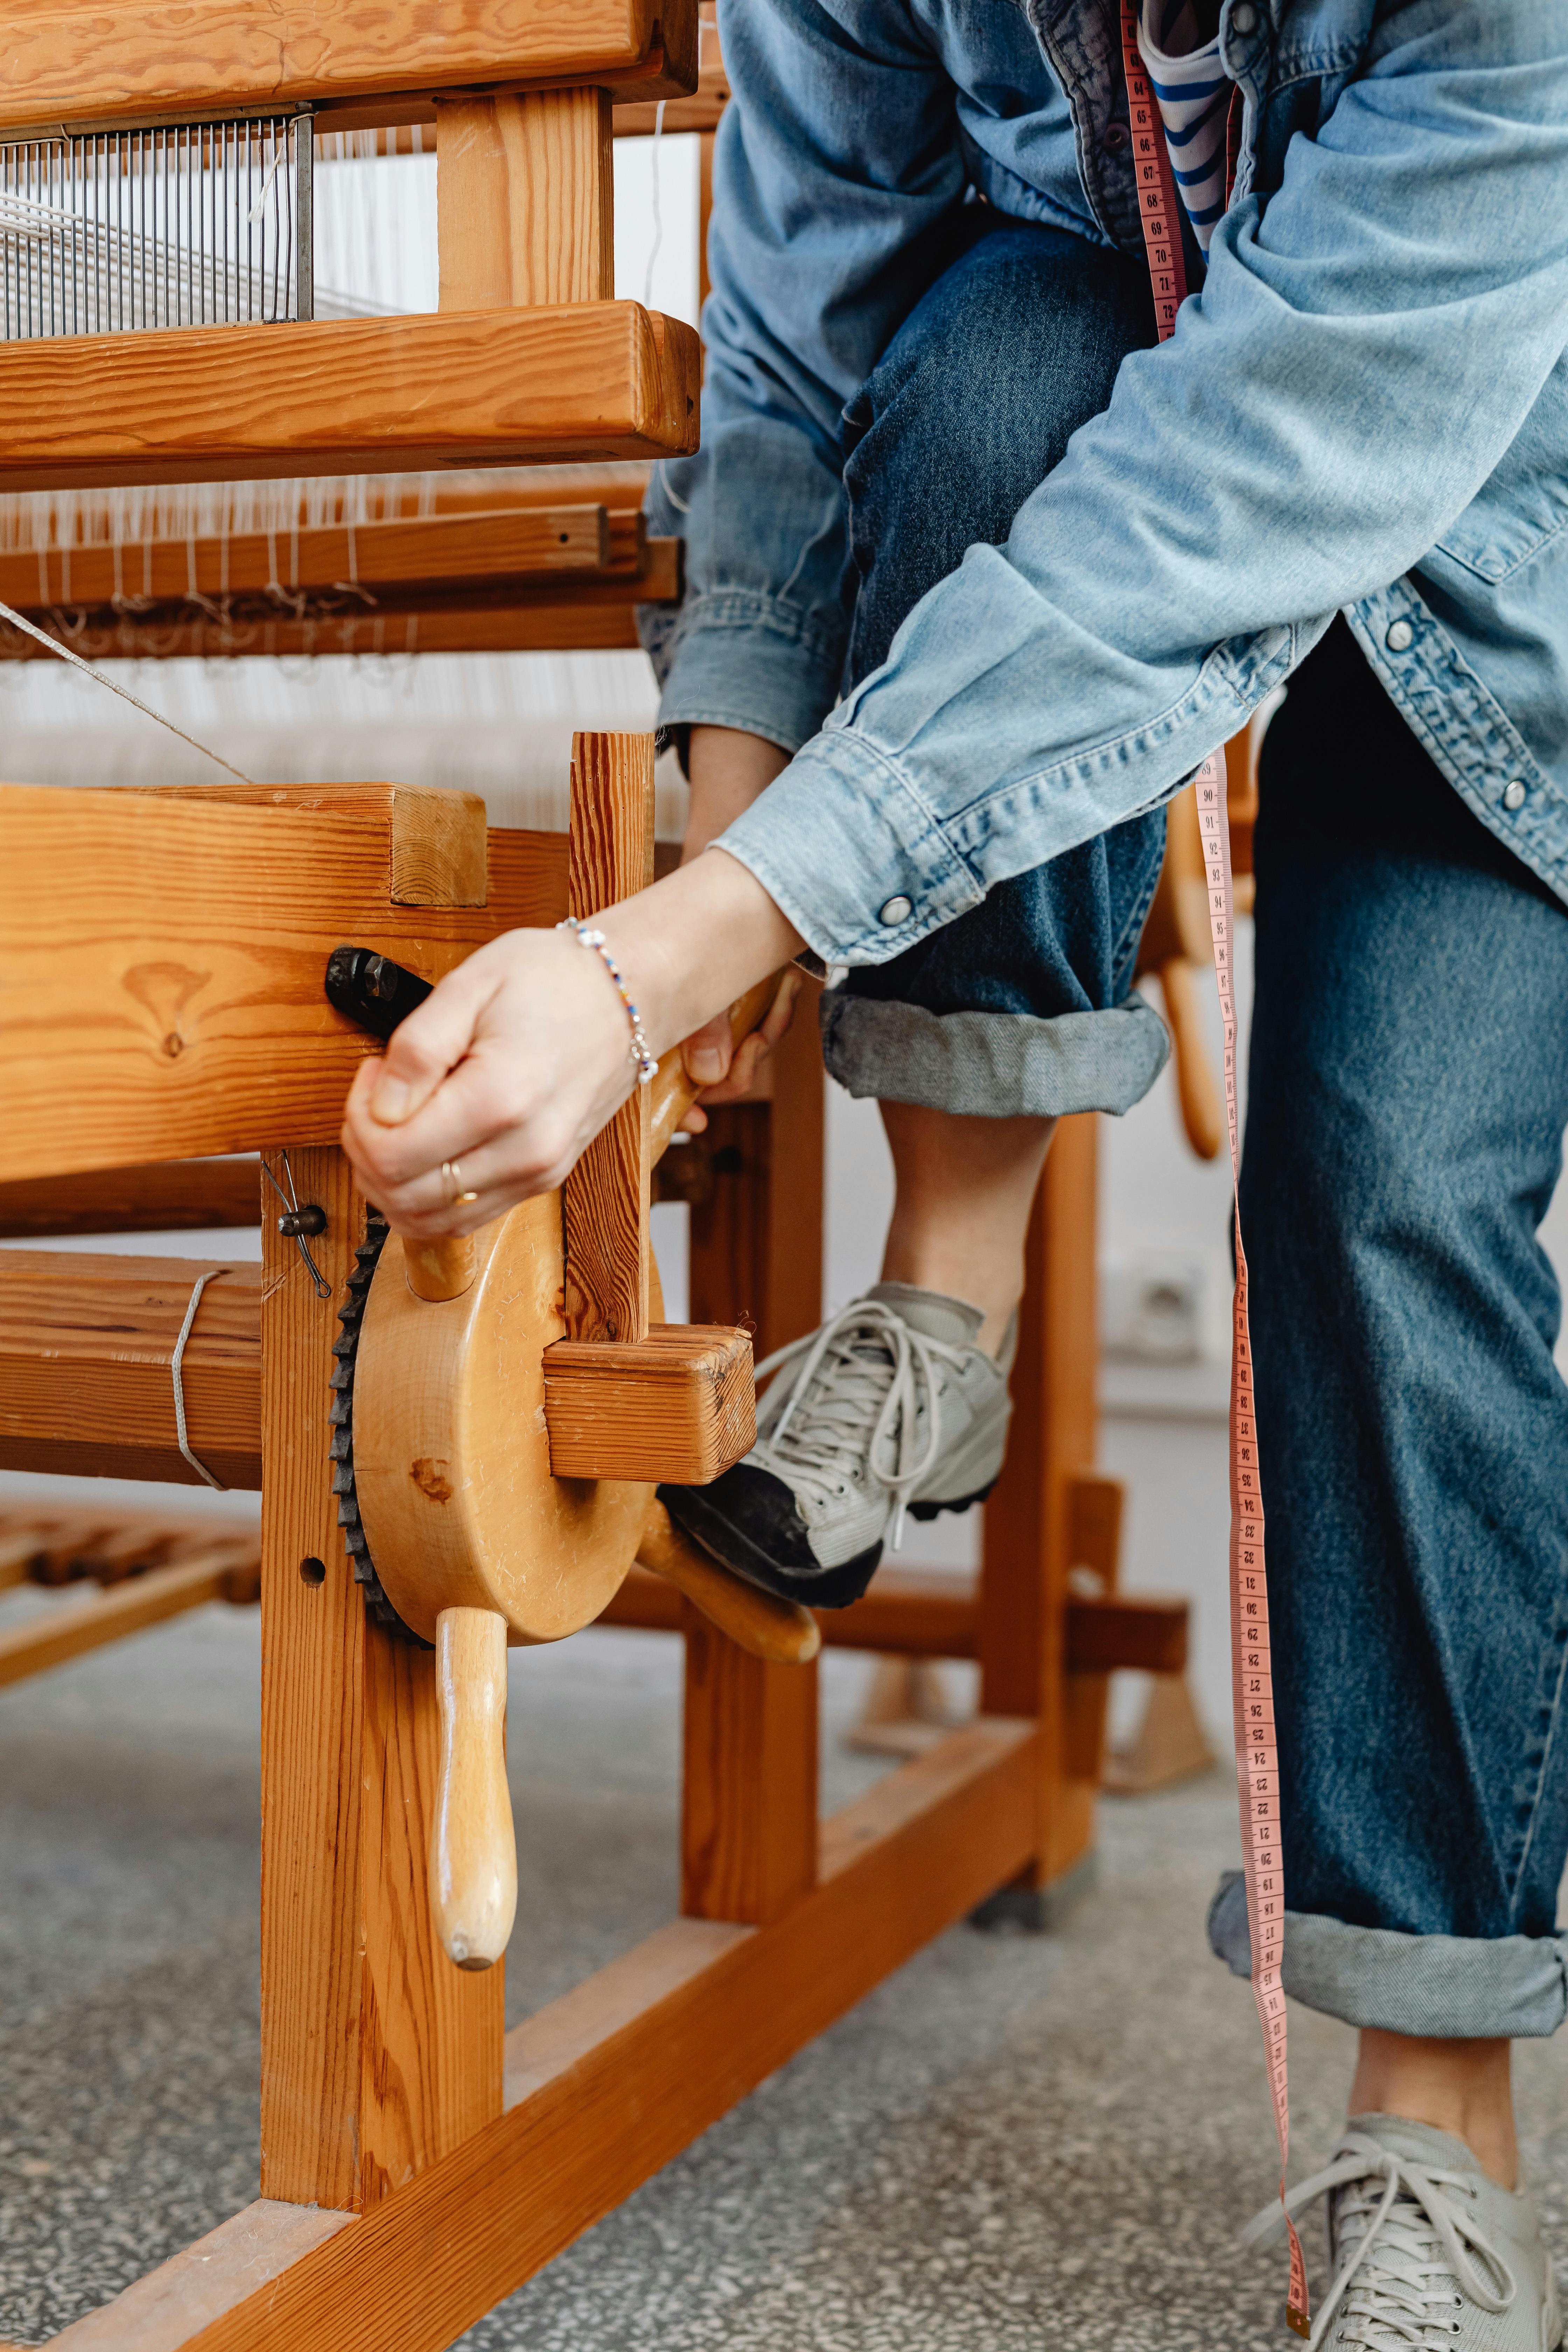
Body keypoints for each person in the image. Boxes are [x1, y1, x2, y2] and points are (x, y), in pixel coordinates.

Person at [342, 1, 1568, 2341]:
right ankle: (955, 1297)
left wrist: (710, 925)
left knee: (1385, 1190)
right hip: (1086, 417)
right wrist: (699, 859)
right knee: (999, 349)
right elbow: (807, 368)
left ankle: (1433, 2118)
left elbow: (1220, 498)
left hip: (1506, 541)